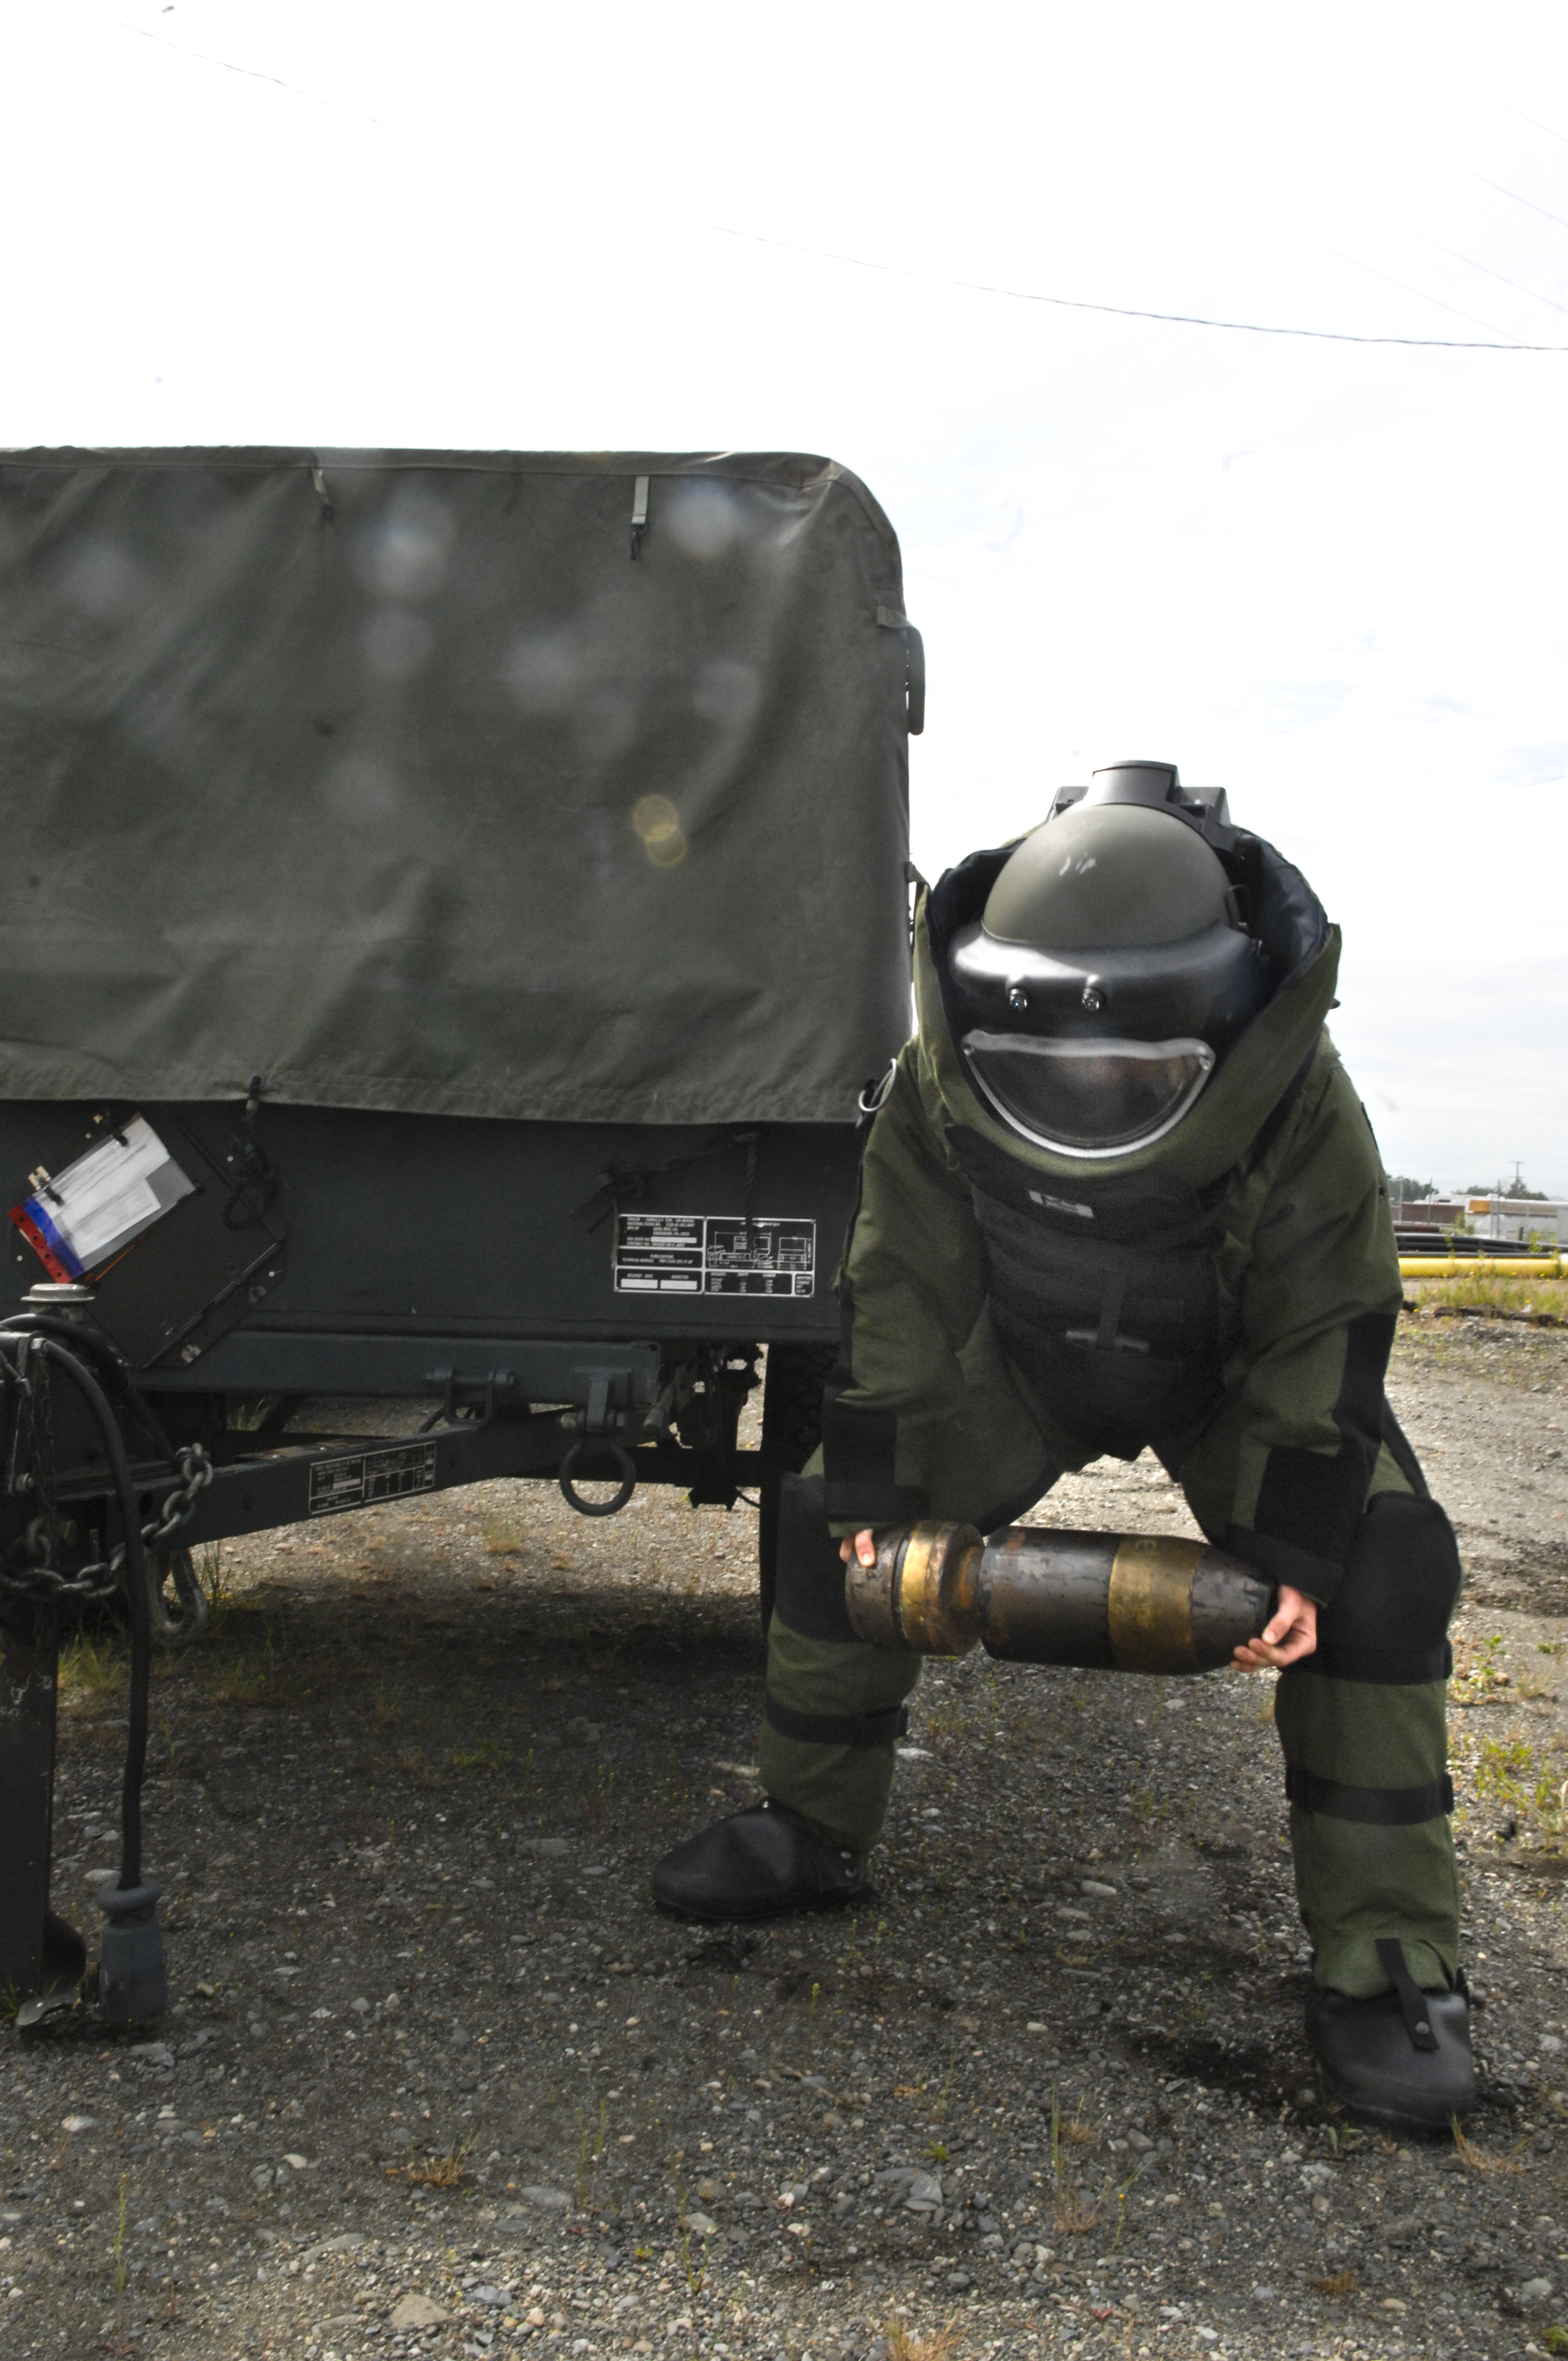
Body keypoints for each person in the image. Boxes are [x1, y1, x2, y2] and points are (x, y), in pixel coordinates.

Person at [652, 760, 1472, 2135]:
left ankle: (1386, 1958)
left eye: (1129, 1070)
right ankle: (806, 1823)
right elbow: (900, 1278)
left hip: (1222, 1371)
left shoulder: (1295, 1092)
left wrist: (1295, 1549)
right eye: (1055, 1070)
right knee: (825, 1522)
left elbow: (1324, 1317)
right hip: (1023, 1363)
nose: (1089, 1092)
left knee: (1379, 1565)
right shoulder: (938, 1067)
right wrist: (873, 1479)